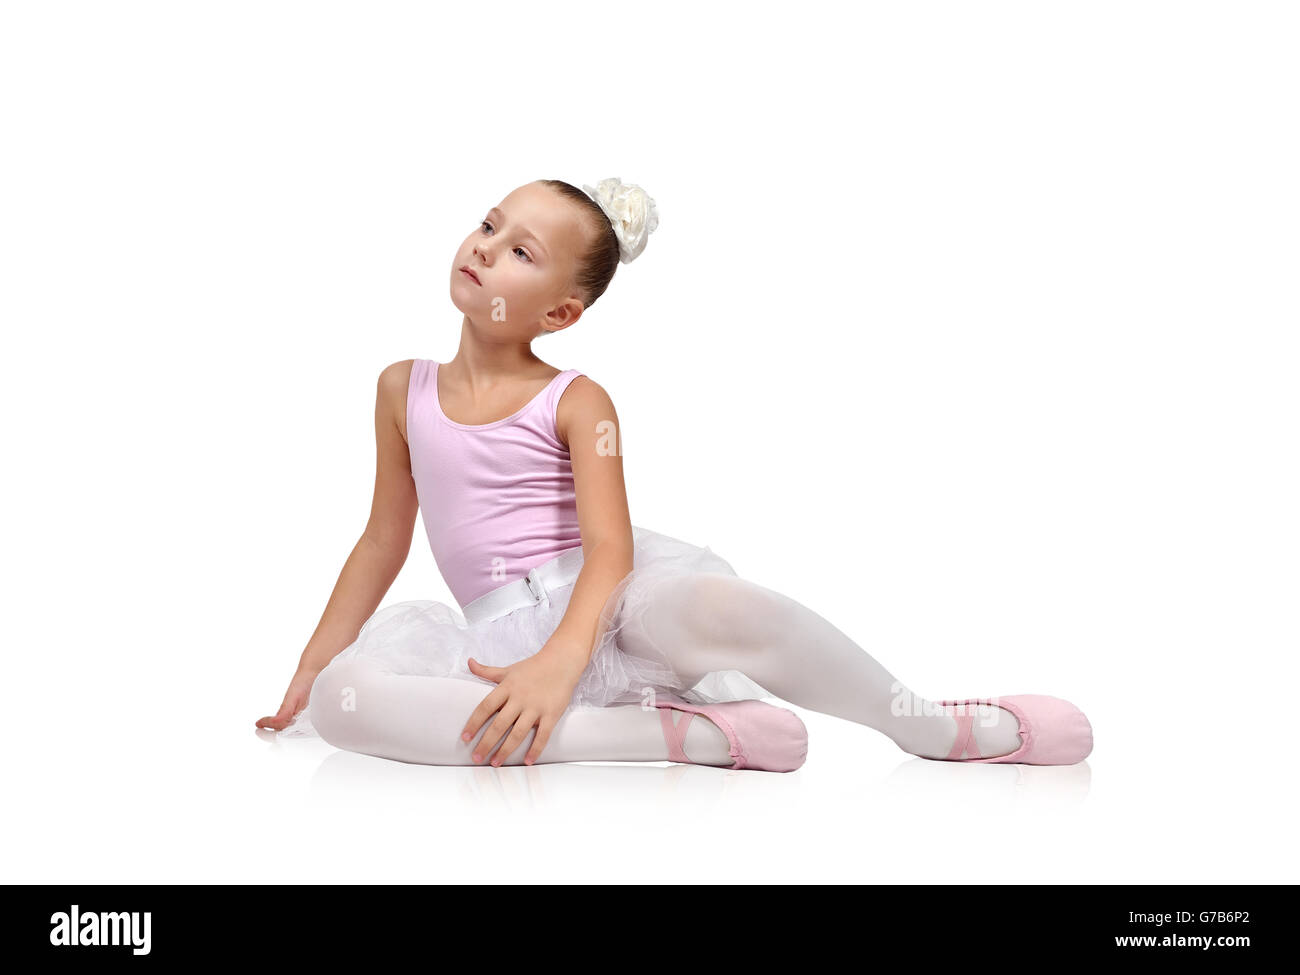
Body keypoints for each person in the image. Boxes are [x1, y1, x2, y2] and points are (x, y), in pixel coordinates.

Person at [254, 177, 1094, 771]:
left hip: (606, 604)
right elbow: (381, 539)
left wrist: (560, 660)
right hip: (491, 637)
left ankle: (922, 723)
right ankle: (673, 738)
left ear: (560, 313)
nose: (484, 248)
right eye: (488, 224)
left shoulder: (580, 402)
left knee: (719, 606)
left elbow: (611, 551)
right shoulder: (403, 389)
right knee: (344, 702)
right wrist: (312, 665)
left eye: (519, 250)